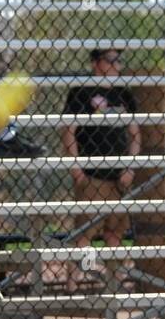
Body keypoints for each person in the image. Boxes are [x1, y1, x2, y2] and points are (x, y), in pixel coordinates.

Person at [59, 48, 141, 286]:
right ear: (96, 63)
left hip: (118, 174)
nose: (117, 65)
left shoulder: (123, 93)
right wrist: (76, 167)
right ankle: (74, 284)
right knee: (84, 234)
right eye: (110, 60)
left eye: (119, 60)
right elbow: (68, 131)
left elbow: (135, 134)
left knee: (114, 234)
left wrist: (131, 168)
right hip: (92, 173)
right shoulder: (81, 92)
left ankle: (112, 285)